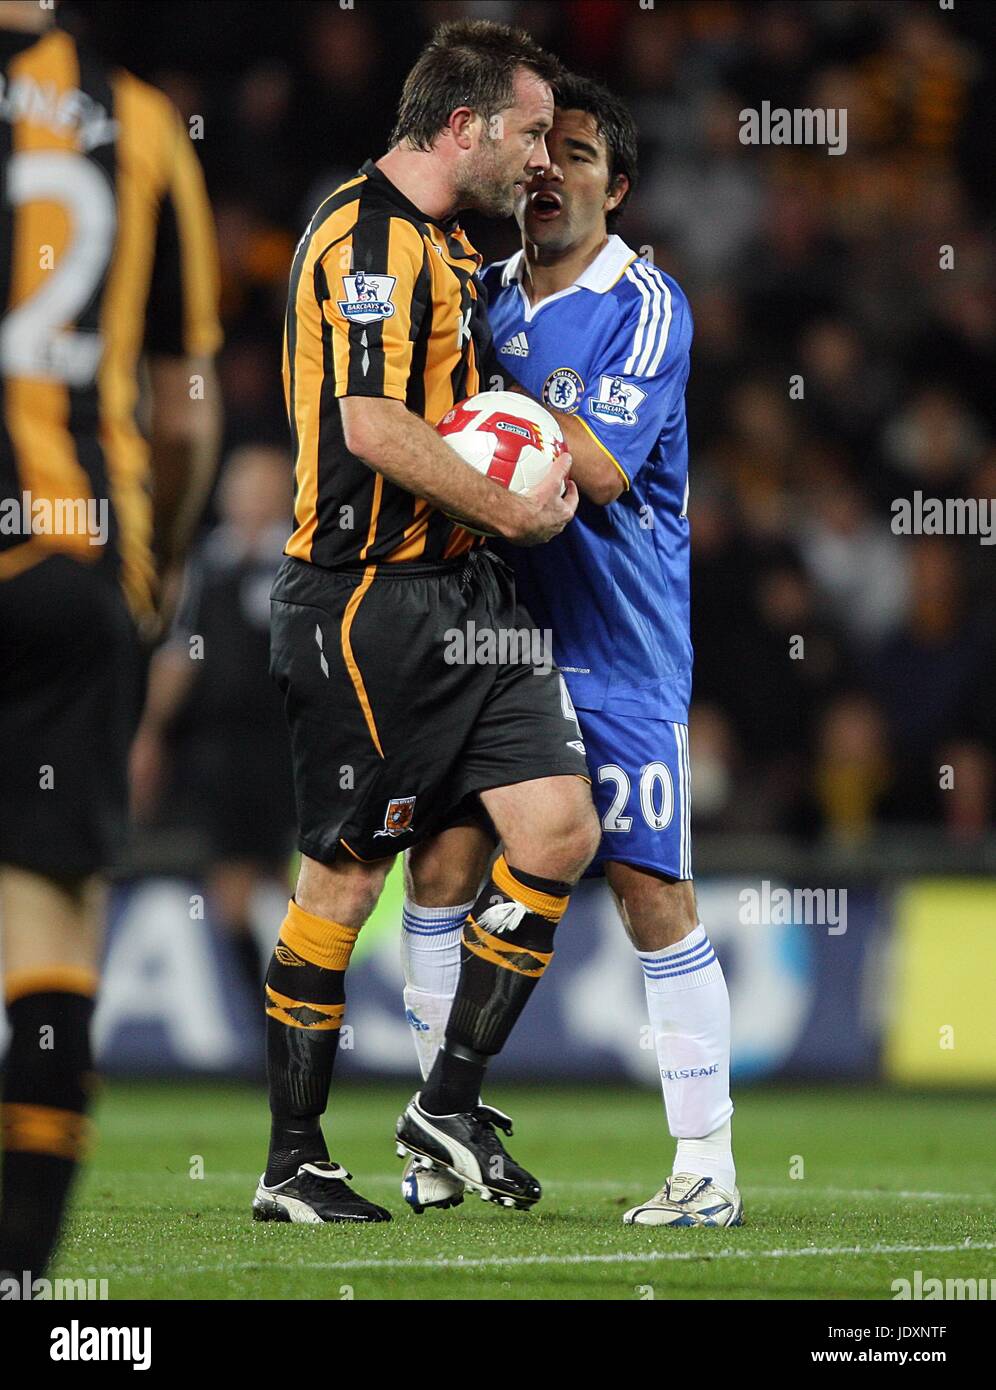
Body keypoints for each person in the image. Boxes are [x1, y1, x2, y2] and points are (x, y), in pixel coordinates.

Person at [253, 20, 601, 1226]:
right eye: (525, 135)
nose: (540, 161)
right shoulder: (366, 238)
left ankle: (447, 1099)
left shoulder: (451, 247)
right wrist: (515, 505)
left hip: (467, 596)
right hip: (364, 602)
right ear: (462, 127)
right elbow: (371, 427)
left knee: (557, 829)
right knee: (344, 885)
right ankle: (292, 1160)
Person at [401, 75, 743, 1228]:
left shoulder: (646, 303)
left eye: (580, 154)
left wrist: (491, 404)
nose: (549, 170)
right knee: (440, 869)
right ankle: (435, 1129)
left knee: (652, 888)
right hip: (490, 643)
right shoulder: (476, 291)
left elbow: (592, 468)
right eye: (539, 147)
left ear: (621, 186)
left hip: (619, 645)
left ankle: (709, 1166)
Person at [0, 1, 222, 1282]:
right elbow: (185, 407)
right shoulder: (139, 126)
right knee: (48, 929)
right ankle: (25, 1277)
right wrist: (168, 555)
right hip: (76, 561)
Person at [130, 446, 297, 996]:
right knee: (230, 881)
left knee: (298, 878)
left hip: (294, 747)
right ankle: (266, 1015)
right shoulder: (204, 567)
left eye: (260, 487)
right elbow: (179, 656)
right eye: (240, 487)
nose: (247, 499)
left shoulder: (304, 559)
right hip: (222, 749)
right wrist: (150, 734)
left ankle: (310, 1005)